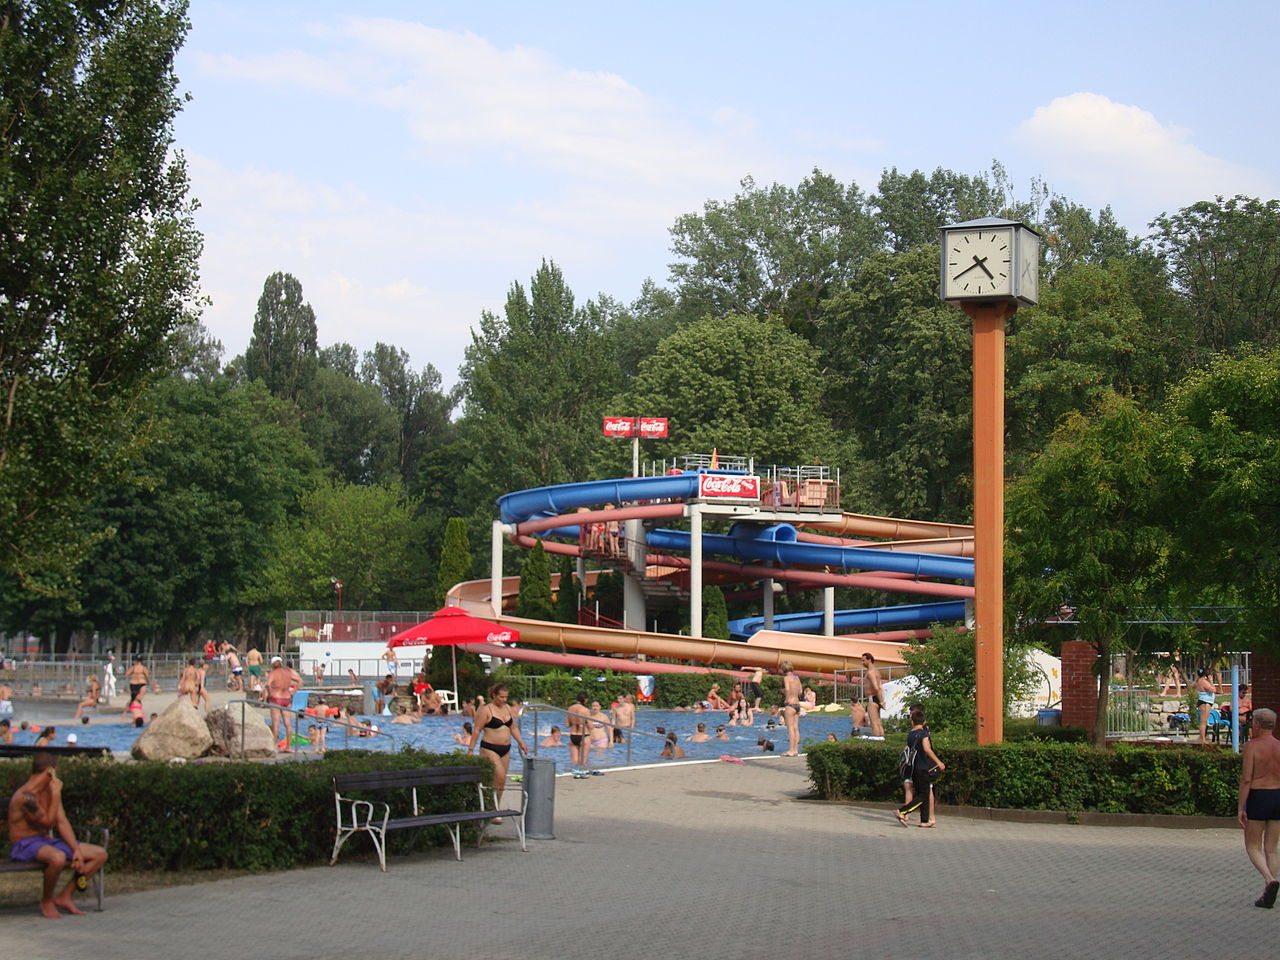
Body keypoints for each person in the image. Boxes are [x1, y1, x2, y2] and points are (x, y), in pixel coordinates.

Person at [7, 753, 109, 918]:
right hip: (24, 844)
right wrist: (56, 795)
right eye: (57, 770)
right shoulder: (27, 796)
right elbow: (47, 823)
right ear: (50, 771)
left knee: (99, 854)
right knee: (58, 858)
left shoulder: (49, 790)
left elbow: (61, 822)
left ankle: (65, 896)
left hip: (45, 842)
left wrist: (76, 850)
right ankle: (47, 900)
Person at [1238, 707, 1280, 908]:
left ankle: (1269, 880)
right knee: (1271, 848)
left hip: (1259, 795)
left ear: (1258, 724)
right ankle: (1268, 895)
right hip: (1277, 795)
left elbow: (1247, 779)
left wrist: (1241, 807)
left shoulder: (1252, 747)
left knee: (1252, 846)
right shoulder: (1279, 746)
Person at [468, 683, 528, 814]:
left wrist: (521, 743)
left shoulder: (507, 708)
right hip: (490, 748)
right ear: (494, 695)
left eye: (506, 697)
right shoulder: (486, 709)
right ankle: (491, 809)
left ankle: (494, 809)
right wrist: (471, 750)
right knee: (499, 778)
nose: (504, 700)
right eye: (501, 697)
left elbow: (513, 728)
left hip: (505, 748)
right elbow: (477, 730)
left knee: (501, 782)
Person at [896, 706, 945, 828]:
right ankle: (903, 811)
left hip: (913, 768)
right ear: (924, 722)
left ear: (912, 721)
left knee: (922, 792)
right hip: (922, 767)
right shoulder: (924, 733)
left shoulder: (911, 734)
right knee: (923, 795)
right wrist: (938, 762)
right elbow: (927, 749)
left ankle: (924, 820)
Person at [265, 656, 301, 749]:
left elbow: (268, 684)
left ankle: (274, 746)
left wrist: (270, 694)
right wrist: (293, 691)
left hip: (276, 698)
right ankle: (288, 747)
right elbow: (299, 681)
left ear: (272, 664)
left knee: (276, 723)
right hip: (287, 698)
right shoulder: (287, 672)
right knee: (287, 723)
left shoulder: (273, 673)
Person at [779, 661, 803, 756]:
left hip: (791, 705)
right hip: (797, 704)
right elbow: (800, 691)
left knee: (790, 728)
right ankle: (796, 749)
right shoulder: (797, 678)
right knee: (796, 728)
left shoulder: (786, 678)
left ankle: (791, 750)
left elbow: (788, 689)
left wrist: (787, 698)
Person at [567, 692, 593, 778]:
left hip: (573, 735)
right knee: (583, 759)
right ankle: (581, 772)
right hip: (584, 735)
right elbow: (590, 725)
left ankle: (576, 773)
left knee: (574, 760)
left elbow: (567, 725)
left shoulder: (570, 709)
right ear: (585, 700)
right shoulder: (585, 710)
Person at [861, 653, 885, 737]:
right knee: (878, 723)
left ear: (869, 660)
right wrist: (881, 700)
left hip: (872, 699)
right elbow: (880, 687)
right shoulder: (876, 671)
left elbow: (876, 687)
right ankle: (882, 741)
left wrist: (881, 701)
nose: (862, 663)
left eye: (863, 660)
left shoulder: (871, 672)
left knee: (874, 725)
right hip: (876, 699)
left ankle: (877, 744)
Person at [1195, 669, 1217, 745]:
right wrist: (1211, 681)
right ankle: (1203, 739)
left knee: (1204, 722)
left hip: (1205, 701)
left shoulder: (1198, 681)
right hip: (1205, 702)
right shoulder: (1203, 682)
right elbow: (1213, 690)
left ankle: (1203, 738)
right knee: (1203, 722)